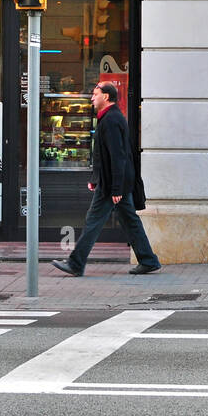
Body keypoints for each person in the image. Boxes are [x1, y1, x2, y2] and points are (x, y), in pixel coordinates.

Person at [52, 82, 162, 277]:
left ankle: (76, 264)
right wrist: (96, 178)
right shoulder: (108, 118)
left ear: (107, 97)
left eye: (95, 94)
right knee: (130, 221)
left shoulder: (111, 120)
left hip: (112, 184)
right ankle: (148, 260)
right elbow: (105, 155)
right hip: (112, 181)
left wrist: (116, 189)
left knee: (93, 221)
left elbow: (118, 156)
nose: (92, 98)